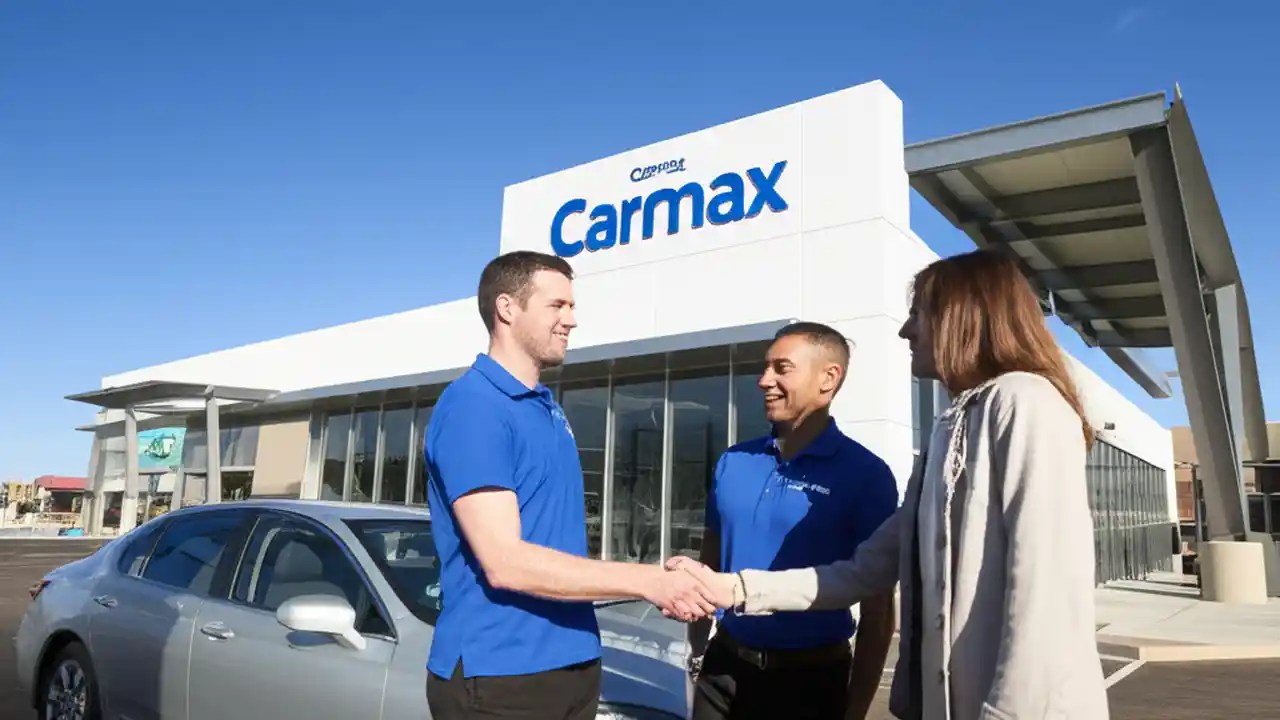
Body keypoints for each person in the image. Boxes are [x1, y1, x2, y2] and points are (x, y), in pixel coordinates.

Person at [670, 249, 1109, 720]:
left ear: (964, 314)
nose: (906, 330)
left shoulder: (1026, 403)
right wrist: (731, 589)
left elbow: (1047, 595)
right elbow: (864, 570)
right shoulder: (950, 426)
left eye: (918, 313)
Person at [424, 250, 719, 720]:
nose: (572, 320)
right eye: (557, 306)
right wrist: (648, 581)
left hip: (573, 659)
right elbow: (506, 563)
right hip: (501, 673)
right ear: (507, 308)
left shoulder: (545, 407)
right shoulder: (474, 407)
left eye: (572, 307)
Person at [685, 322, 899, 720]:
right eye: (765, 368)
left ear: (828, 378)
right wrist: (697, 654)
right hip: (721, 669)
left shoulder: (866, 476)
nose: (765, 380)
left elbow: (878, 609)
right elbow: (709, 562)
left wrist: (854, 710)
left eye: (782, 368)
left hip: (810, 683)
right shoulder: (734, 462)